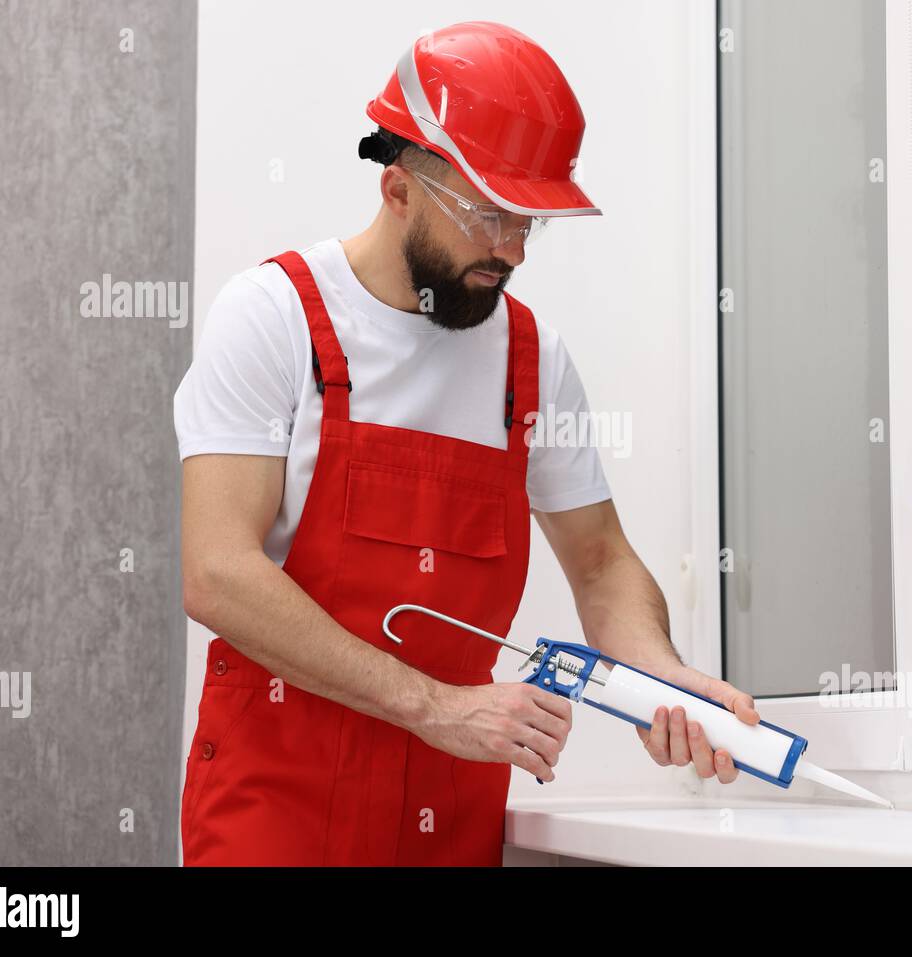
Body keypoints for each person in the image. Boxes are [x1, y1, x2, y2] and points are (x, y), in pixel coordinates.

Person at [174, 21, 760, 866]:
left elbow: (599, 563)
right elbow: (218, 572)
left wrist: (660, 676)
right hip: (276, 815)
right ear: (400, 185)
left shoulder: (531, 360)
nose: (514, 250)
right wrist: (439, 707)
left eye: (530, 222)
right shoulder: (274, 319)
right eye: (489, 215)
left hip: (449, 823)